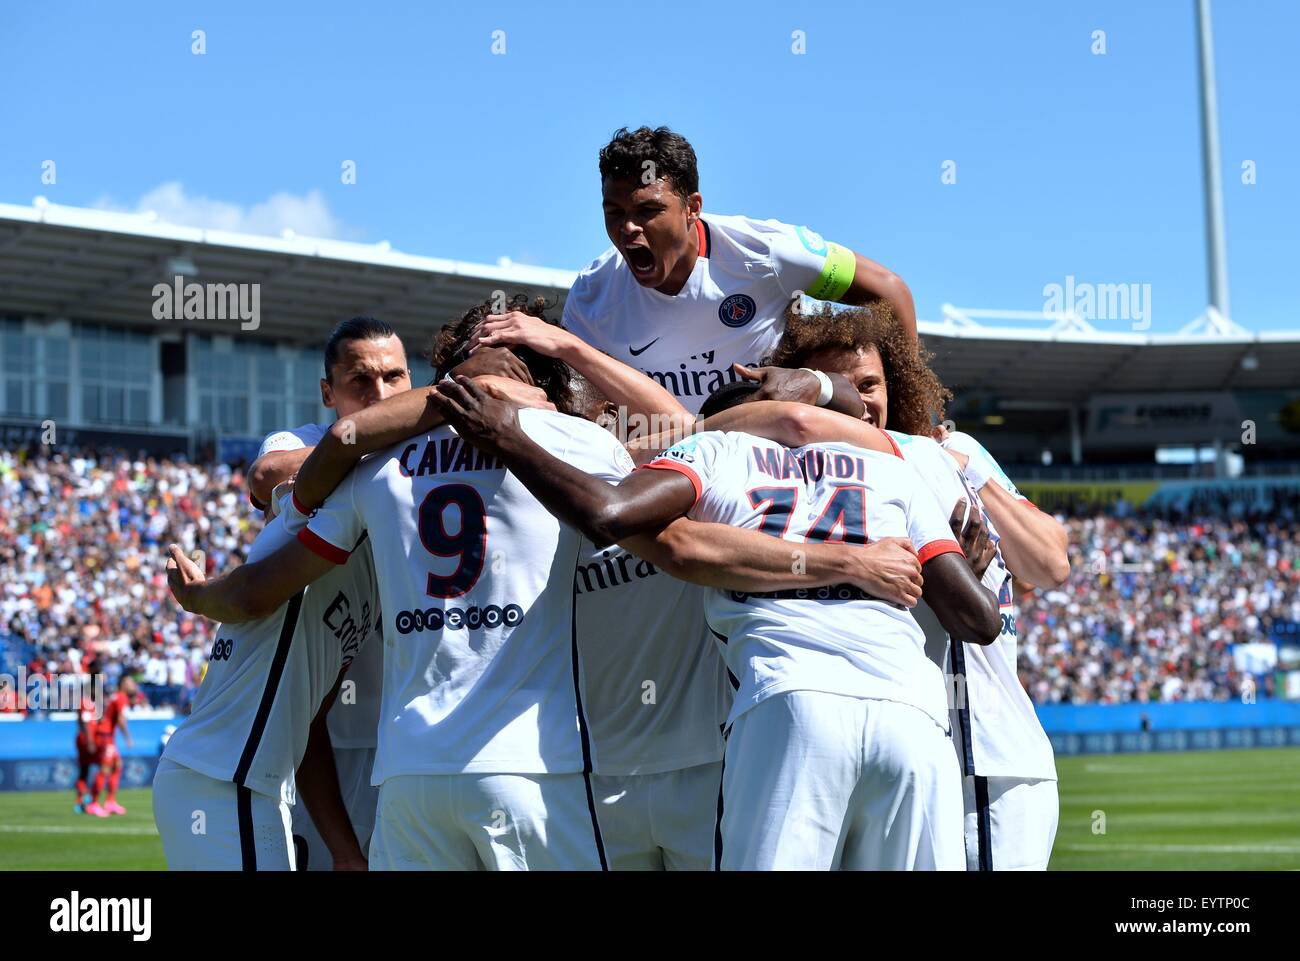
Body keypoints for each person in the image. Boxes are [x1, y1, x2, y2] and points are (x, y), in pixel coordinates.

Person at [165, 298, 924, 871]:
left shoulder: (376, 466)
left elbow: (268, 577)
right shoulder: (574, 440)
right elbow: (698, 454)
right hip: (534, 768)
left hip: (410, 777)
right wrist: (840, 547)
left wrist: (202, 596)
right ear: (534, 373)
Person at [430, 374, 1003, 869]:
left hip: (791, 700)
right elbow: (977, 621)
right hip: (913, 718)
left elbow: (606, 513)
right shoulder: (892, 474)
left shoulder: (719, 450)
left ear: (723, 417)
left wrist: (505, 435)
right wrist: (951, 566)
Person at [763, 300, 1068, 870]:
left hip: (984, 754)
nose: (857, 399)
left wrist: (964, 469)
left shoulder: (942, 455)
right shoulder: (801, 488)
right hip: (886, 753)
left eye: (869, 383)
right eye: (834, 386)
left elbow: (1050, 564)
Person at [150, 317, 413, 870]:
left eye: (395, 380)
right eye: (360, 382)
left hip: (253, 777)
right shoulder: (325, 496)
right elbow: (270, 477)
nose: (379, 396)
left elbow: (311, 715)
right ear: (328, 392)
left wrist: (347, 855)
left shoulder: (370, 563)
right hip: (226, 777)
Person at [475, 125, 915, 416]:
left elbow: (890, 291)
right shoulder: (594, 293)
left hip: (769, 454)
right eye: (614, 212)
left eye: (648, 211)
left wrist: (910, 423)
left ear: (692, 208)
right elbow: (582, 401)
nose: (628, 228)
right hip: (666, 468)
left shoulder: (767, 252)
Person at [85, 677, 136, 817]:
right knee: (105, 768)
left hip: (106, 735)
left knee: (117, 765)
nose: (133, 685)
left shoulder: (117, 697)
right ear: (123, 685)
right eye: (130, 682)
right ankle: (93, 803)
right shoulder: (121, 697)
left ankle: (110, 801)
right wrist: (128, 738)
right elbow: (120, 719)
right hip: (105, 736)